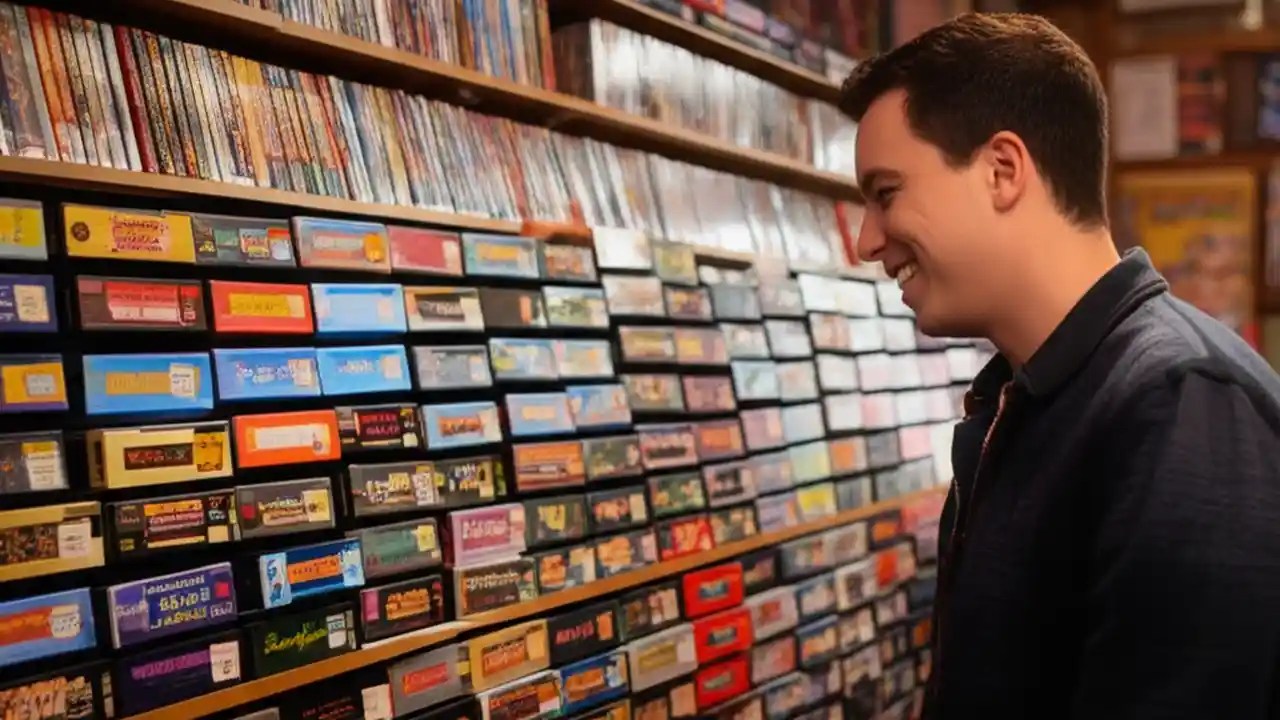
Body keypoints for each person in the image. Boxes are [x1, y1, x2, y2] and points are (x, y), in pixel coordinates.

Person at [840, 12, 1280, 719]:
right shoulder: (1024, 398)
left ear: (1003, 171)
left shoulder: (1181, 406)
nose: (865, 240)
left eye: (886, 193)